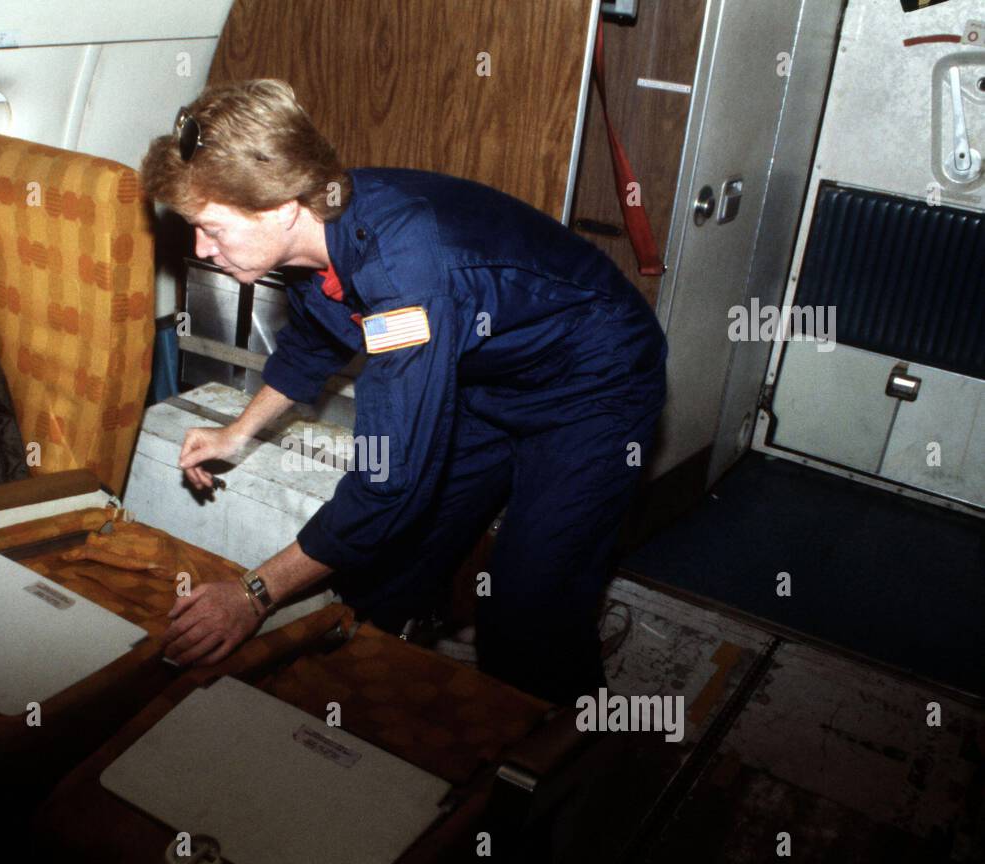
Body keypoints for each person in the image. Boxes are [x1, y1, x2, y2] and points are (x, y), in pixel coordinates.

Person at [141, 79, 666, 705]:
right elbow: (312, 345)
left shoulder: (403, 276)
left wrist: (254, 594)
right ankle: (381, 712)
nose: (201, 249)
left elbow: (387, 481)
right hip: (490, 376)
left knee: (529, 605)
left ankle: (570, 756)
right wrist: (236, 433)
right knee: (388, 573)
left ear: (282, 206)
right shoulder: (320, 235)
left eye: (211, 228)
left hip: (594, 380)